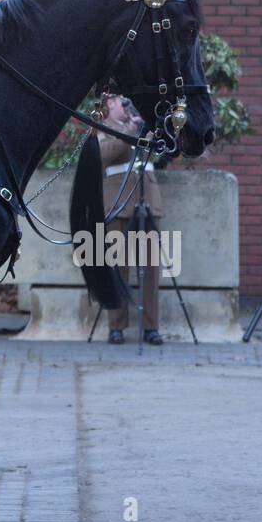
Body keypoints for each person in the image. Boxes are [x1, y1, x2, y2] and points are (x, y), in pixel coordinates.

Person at [98, 92, 164, 345]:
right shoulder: (104, 127)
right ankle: (116, 326)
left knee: (150, 267)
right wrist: (128, 131)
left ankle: (151, 327)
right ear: (110, 103)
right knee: (117, 266)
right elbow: (103, 155)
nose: (126, 104)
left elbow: (161, 153)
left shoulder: (143, 123)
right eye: (120, 99)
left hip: (148, 196)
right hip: (117, 200)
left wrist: (150, 127)